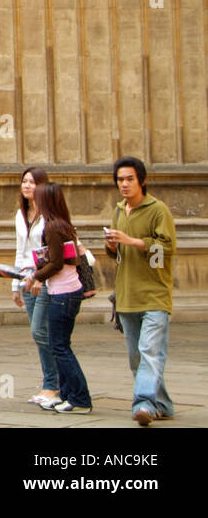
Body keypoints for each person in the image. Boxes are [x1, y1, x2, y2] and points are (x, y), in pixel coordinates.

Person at [105, 156, 177, 426]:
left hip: (155, 294)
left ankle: (144, 403)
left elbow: (165, 250)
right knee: (138, 358)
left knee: (149, 351)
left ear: (142, 181)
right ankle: (164, 405)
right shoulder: (119, 210)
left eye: (129, 179)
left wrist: (132, 241)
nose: (123, 184)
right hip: (126, 295)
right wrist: (113, 247)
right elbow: (118, 255)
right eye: (120, 180)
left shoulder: (158, 210)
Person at [23, 182, 91, 414]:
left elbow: (57, 262)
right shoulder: (64, 224)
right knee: (60, 345)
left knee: (60, 347)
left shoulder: (52, 227)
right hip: (68, 291)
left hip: (63, 293)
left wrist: (35, 275)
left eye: (39, 199)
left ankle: (80, 398)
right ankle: (70, 395)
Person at [11, 166, 57, 408]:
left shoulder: (50, 215)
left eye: (32, 182)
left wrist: (40, 278)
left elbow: (54, 253)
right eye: (24, 181)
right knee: (40, 335)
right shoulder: (21, 214)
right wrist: (15, 284)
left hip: (46, 279)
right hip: (27, 279)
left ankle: (53, 384)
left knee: (40, 330)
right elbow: (21, 251)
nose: (27, 185)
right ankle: (51, 383)